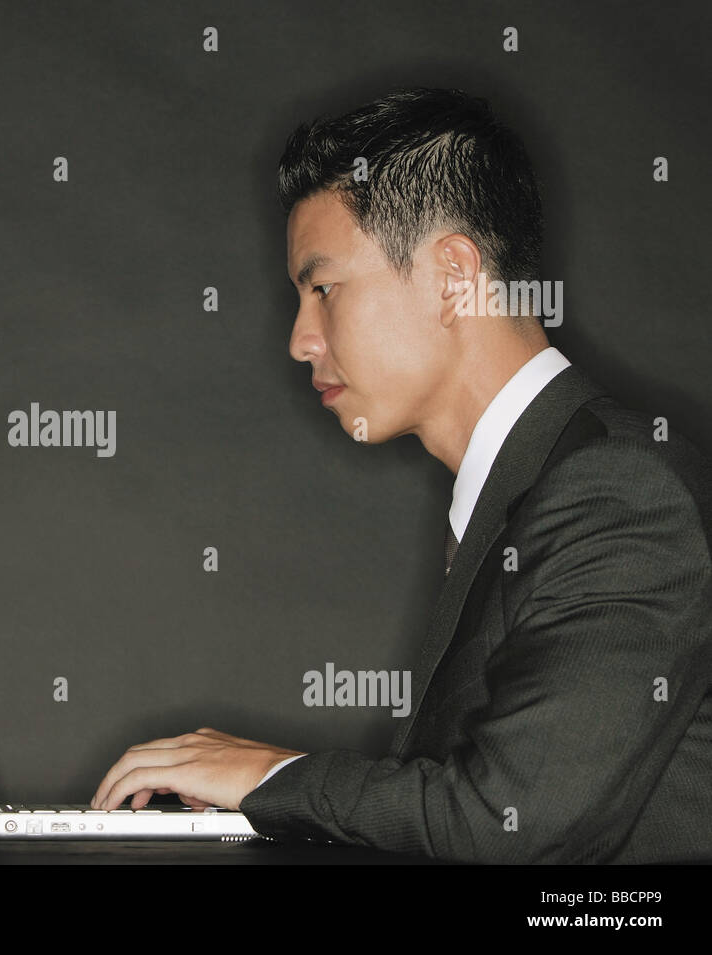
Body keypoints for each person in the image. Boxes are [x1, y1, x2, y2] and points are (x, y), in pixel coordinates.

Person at [89, 88, 712, 863]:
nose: (299, 340)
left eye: (323, 288)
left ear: (453, 274)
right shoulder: (528, 489)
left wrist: (269, 775)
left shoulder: (619, 491)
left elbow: (511, 824)